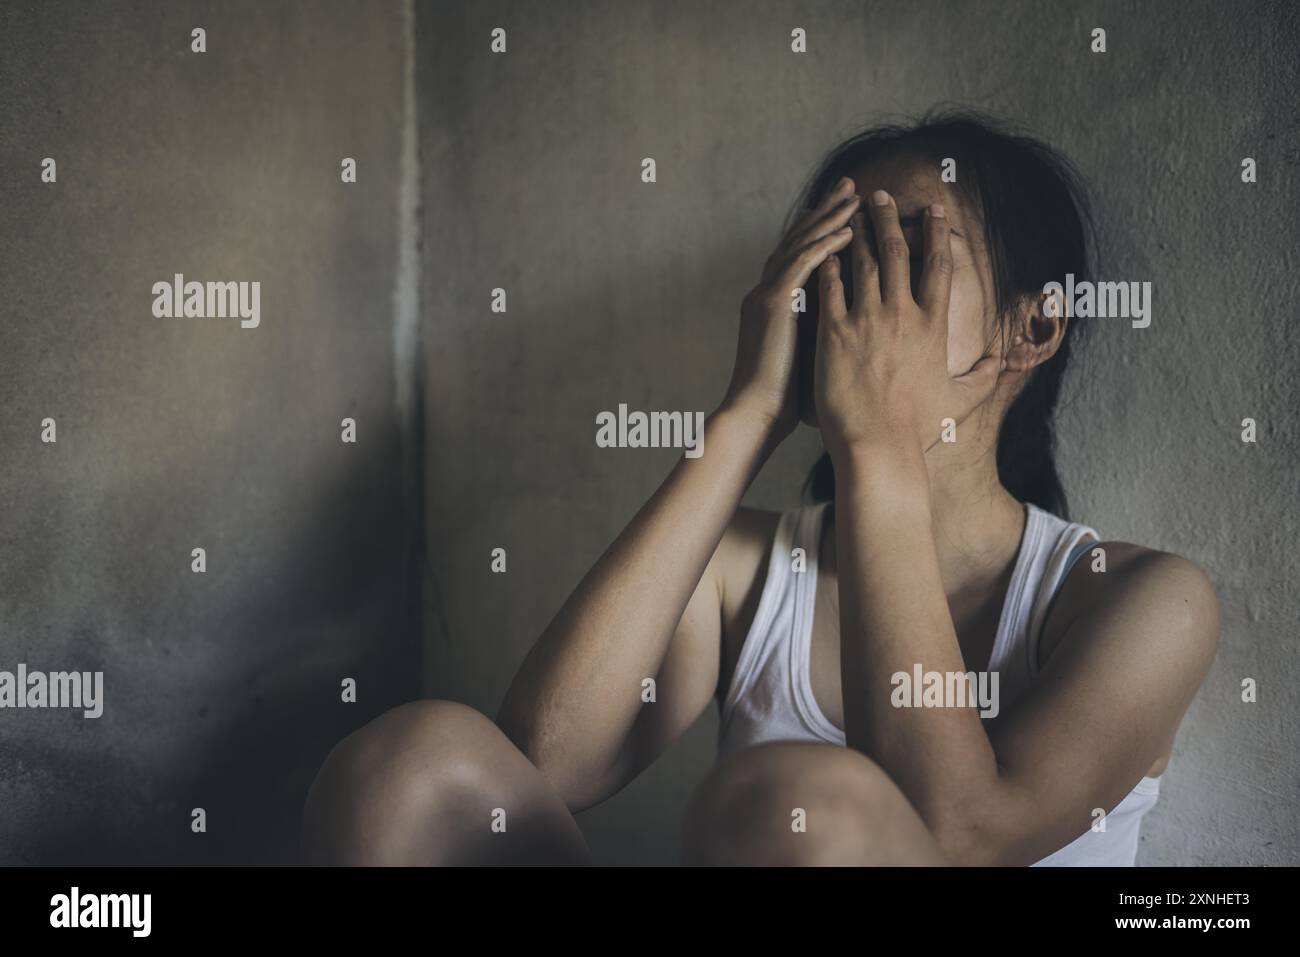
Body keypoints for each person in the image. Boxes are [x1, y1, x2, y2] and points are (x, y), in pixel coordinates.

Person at [301, 111, 1219, 866]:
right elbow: (543, 763)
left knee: (799, 807)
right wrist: (748, 414)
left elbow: (957, 835)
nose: (850, 285)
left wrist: (881, 452)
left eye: (900, 251)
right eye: (836, 252)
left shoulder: (1140, 601)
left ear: (1033, 329)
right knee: (411, 767)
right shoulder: (750, 565)